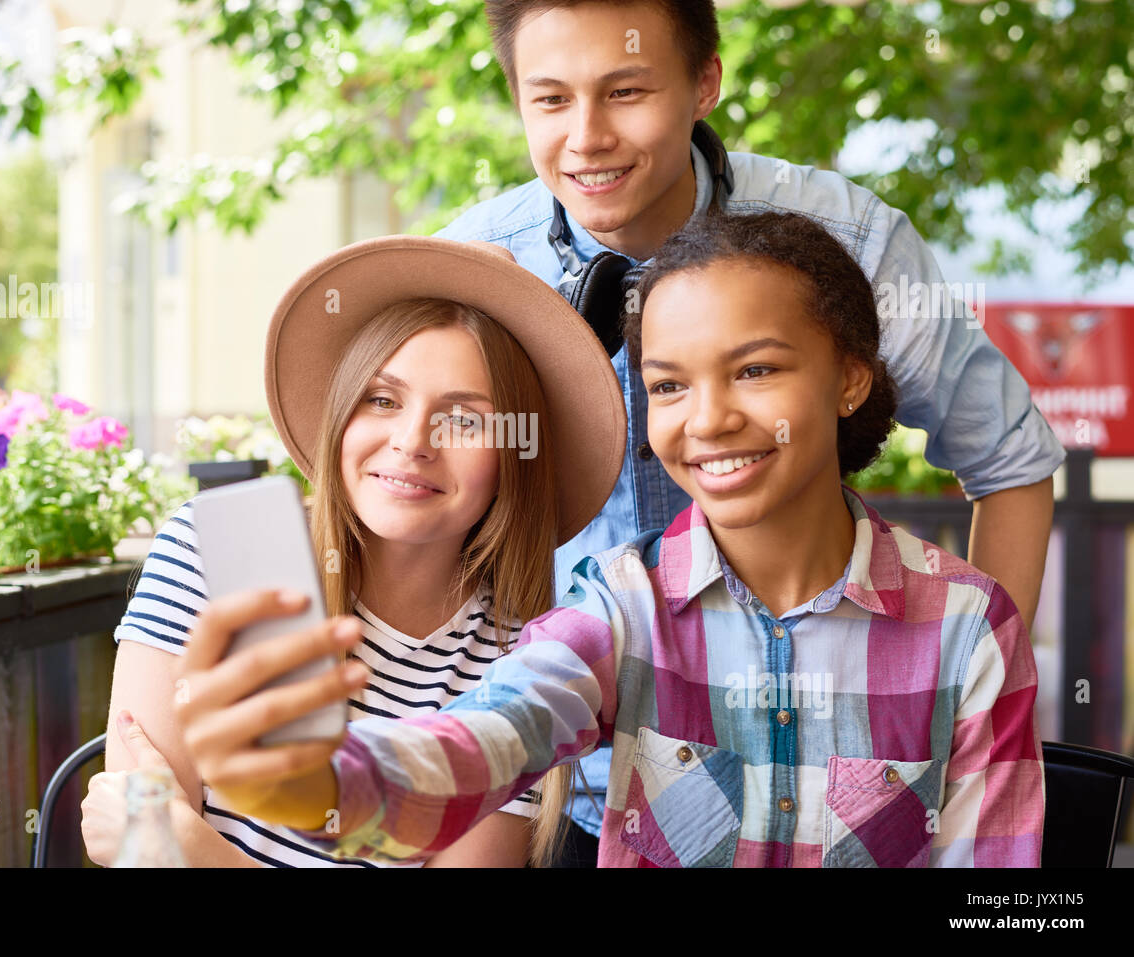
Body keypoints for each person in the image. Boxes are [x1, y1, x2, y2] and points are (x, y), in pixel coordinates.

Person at [174, 210, 1045, 867]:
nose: (709, 420)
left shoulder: (970, 628)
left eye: (756, 369)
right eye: (668, 385)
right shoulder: (617, 607)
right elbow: (479, 743)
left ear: (850, 377)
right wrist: (317, 783)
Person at [432, 0, 1063, 860]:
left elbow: (1012, 461)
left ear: (704, 84)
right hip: (564, 788)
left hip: (843, 794)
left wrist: (965, 703)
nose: (586, 137)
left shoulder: (853, 244)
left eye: (624, 91)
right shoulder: (472, 267)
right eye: (550, 101)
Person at [81, 236, 624, 867]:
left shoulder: (527, 661)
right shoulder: (219, 548)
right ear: (343, 411)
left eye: (465, 420)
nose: (412, 442)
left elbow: (157, 846)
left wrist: (202, 855)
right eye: (383, 400)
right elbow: (134, 853)